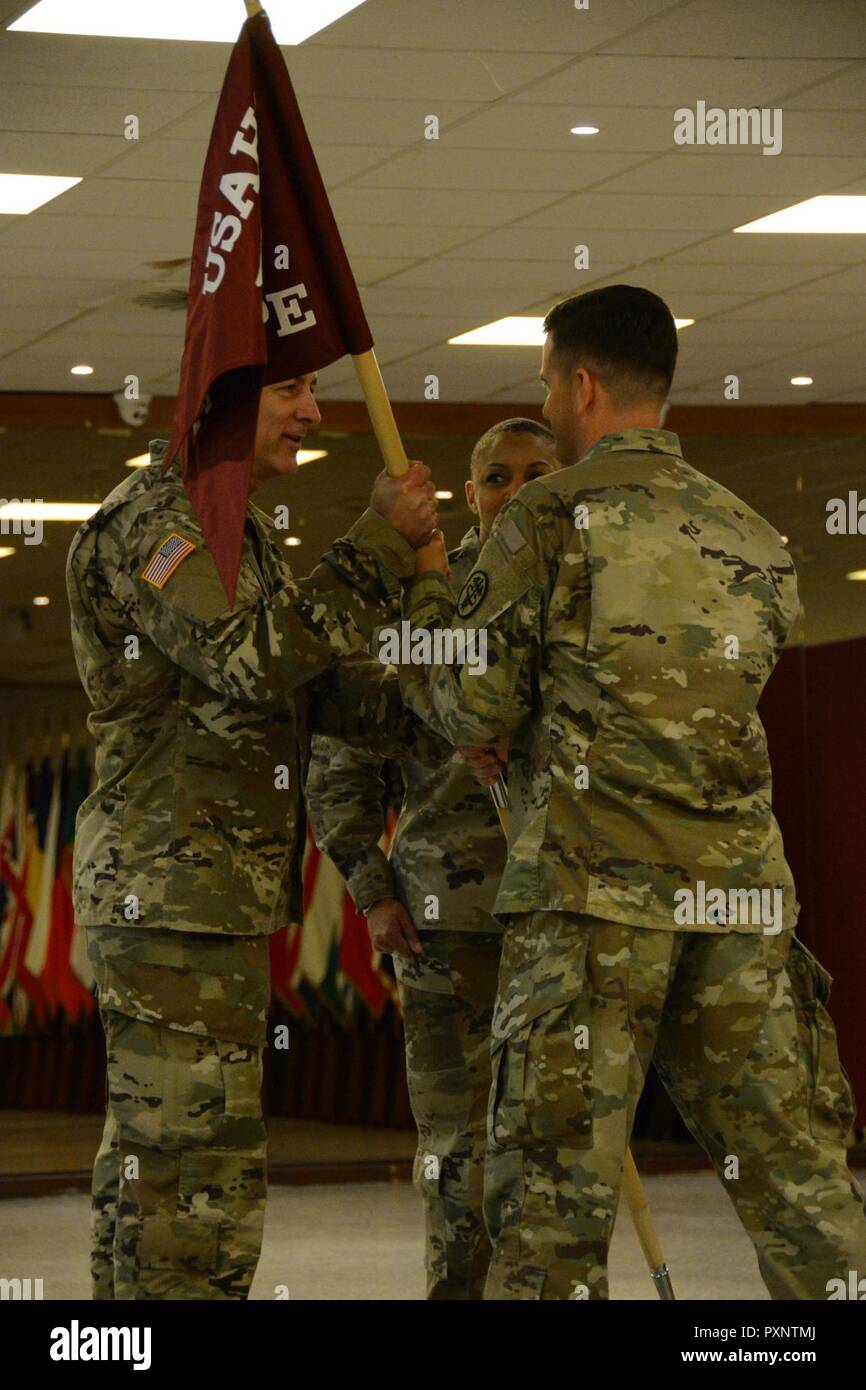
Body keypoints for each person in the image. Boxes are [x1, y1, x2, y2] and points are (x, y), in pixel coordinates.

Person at [398, 284, 866, 1300]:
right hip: (739, 902)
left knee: (549, 1209)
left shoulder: (544, 517)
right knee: (799, 1179)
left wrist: (436, 599)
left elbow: (469, 701)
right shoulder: (749, 534)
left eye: (545, 387)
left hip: (590, 902)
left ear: (578, 385)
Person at [66, 371, 439, 1300]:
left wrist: (446, 708)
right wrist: (374, 549)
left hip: (208, 907)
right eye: (290, 389)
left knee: (164, 1174)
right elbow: (250, 656)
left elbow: (312, 692)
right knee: (198, 1187)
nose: (313, 412)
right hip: (169, 904)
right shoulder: (152, 524)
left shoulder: (239, 533)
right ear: (220, 394)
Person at [305, 419, 559, 1299]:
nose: (516, 491)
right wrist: (373, 893)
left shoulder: (588, 601)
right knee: (459, 1148)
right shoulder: (419, 606)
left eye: (537, 474)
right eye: (497, 477)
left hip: (562, 913)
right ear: (472, 496)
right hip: (446, 927)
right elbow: (338, 772)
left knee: (556, 1145)